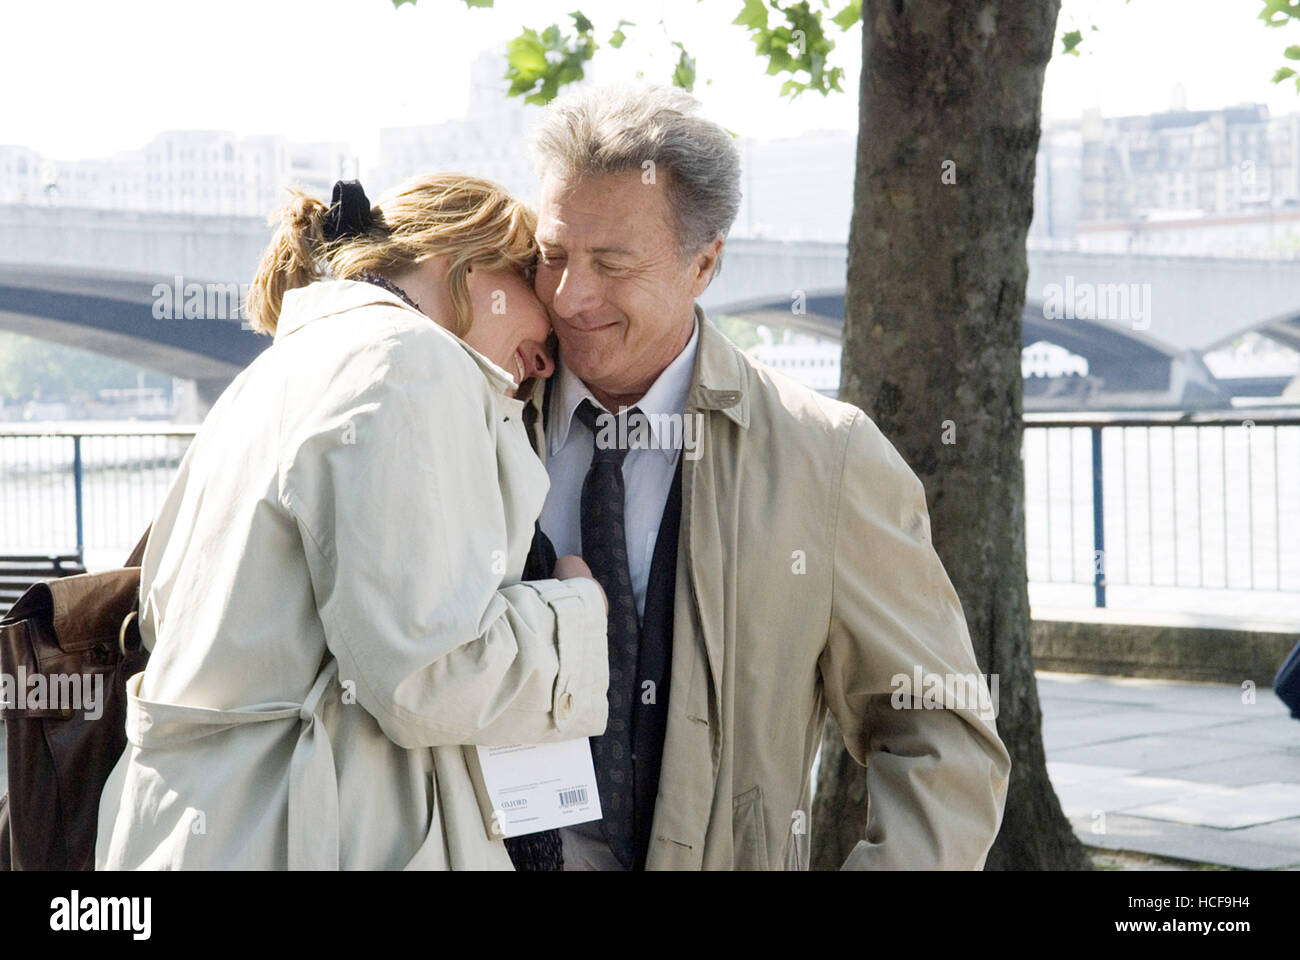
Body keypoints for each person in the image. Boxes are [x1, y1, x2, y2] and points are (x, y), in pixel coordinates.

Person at [519, 85, 1012, 870]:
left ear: (704, 262)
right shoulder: (471, 422)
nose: (571, 296)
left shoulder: (830, 458)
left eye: (611, 264)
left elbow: (939, 737)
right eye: (552, 256)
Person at [95, 174, 609, 870]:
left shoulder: (273, 375)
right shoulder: (408, 359)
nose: (548, 350)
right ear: (460, 255)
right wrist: (573, 615)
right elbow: (428, 672)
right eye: (529, 280)